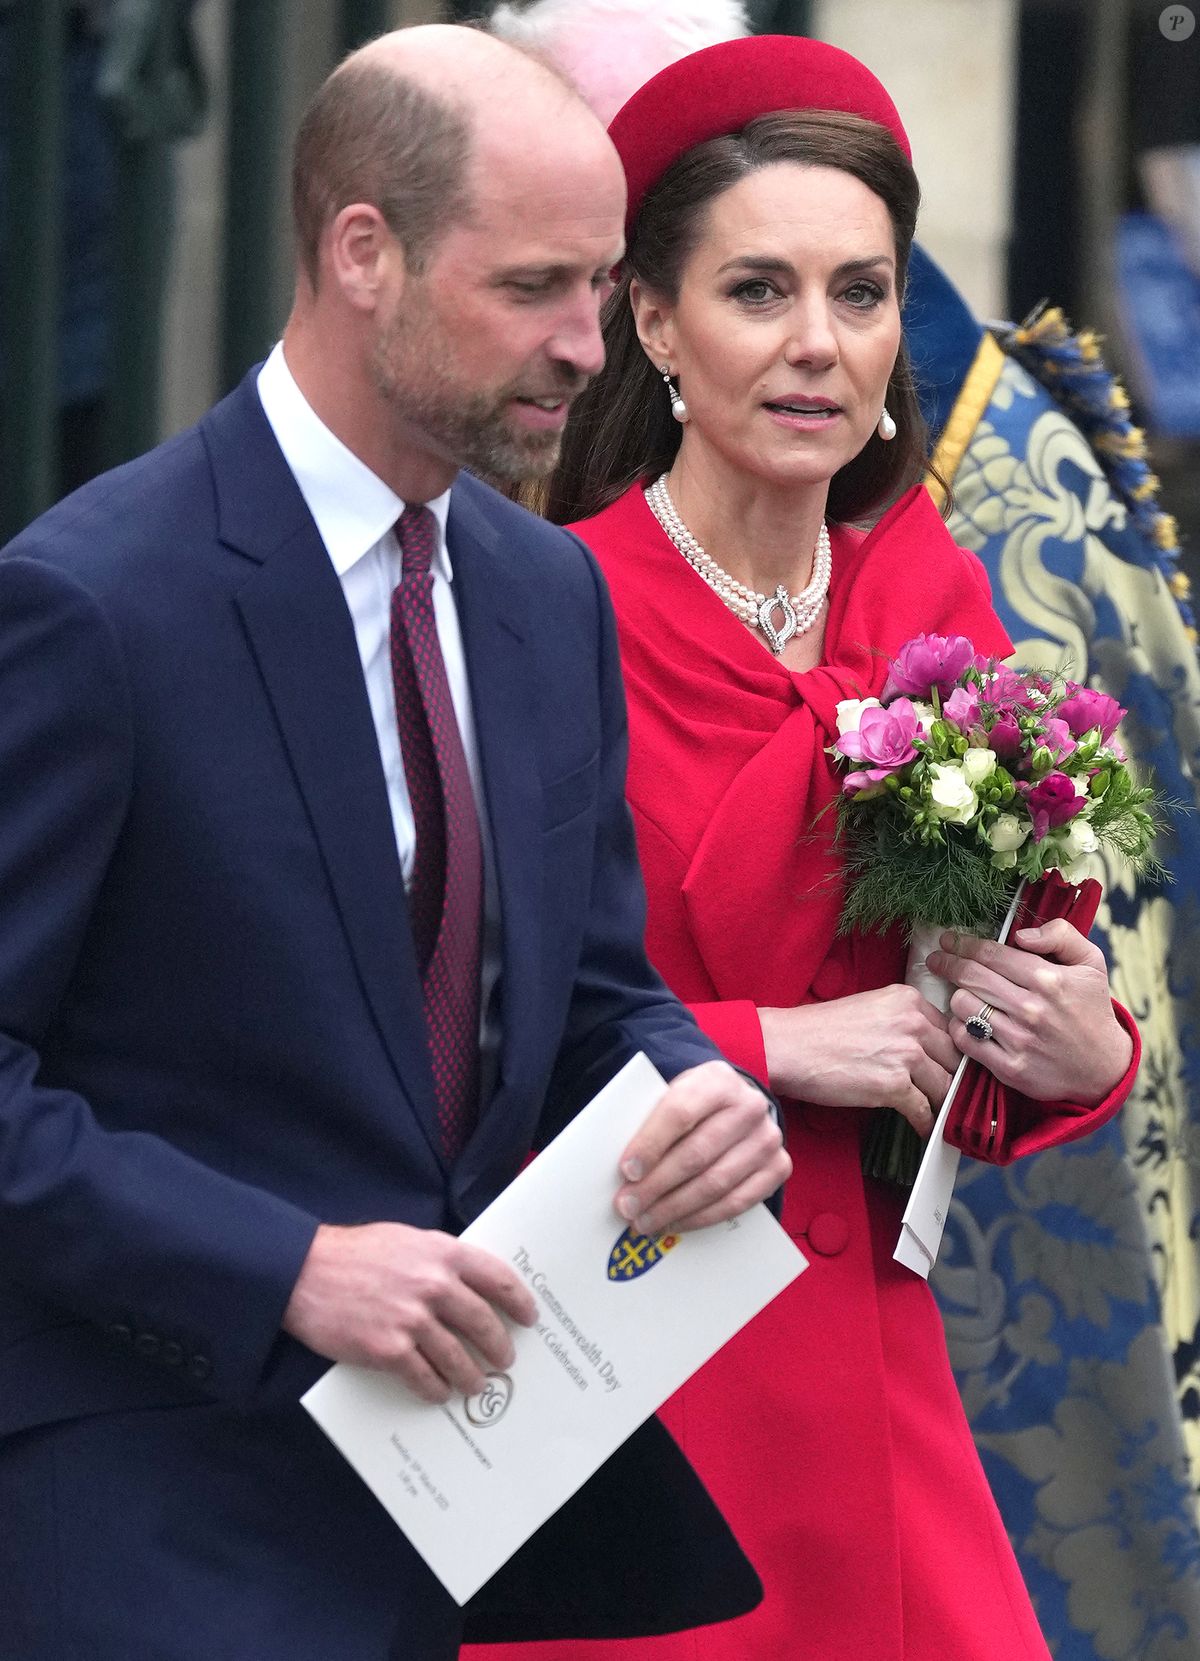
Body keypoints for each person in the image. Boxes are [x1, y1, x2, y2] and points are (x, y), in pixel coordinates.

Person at [0, 25, 792, 1661]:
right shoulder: (93, 600)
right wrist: (284, 1262)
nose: (591, 346)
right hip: (152, 1504)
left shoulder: (542, 591)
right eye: (536, 289)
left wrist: (688, 1091)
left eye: (604, 285)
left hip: (461, 1514)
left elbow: (585, 991)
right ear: (363, 251)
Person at [463, 34, 1141, 1661]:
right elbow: (467, 1036)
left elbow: (1001, 991)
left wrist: (1072, 1040)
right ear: (650, 320)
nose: (820, 346)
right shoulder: (547, 610)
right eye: (759, 291)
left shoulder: (934, 596)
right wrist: (778, 1044)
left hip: (884, 1380)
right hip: (635, 1379)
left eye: (864, 291)